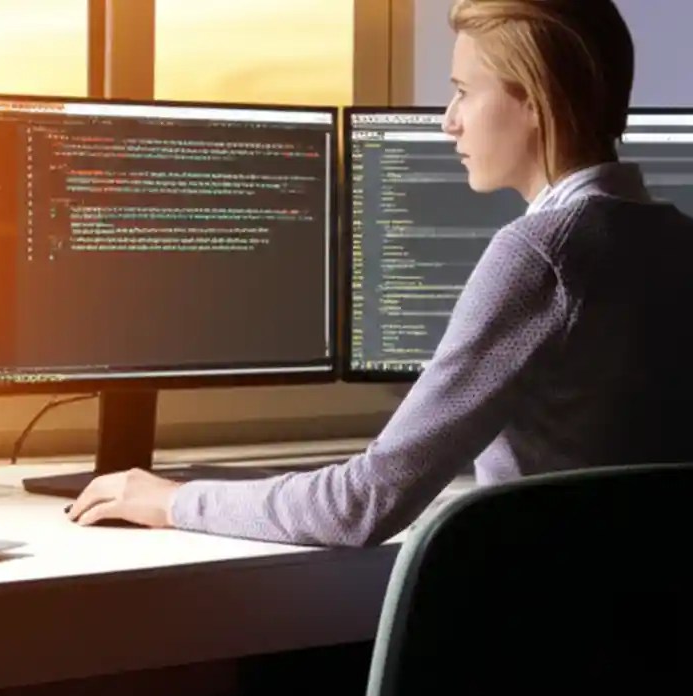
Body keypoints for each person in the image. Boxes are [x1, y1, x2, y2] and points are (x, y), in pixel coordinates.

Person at [67, 0, 693, 546]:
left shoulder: (543, 254)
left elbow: (363, 503)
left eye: (464, 91)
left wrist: (172, 500)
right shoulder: (674, 239)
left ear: (534, 99)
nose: (449, 120)